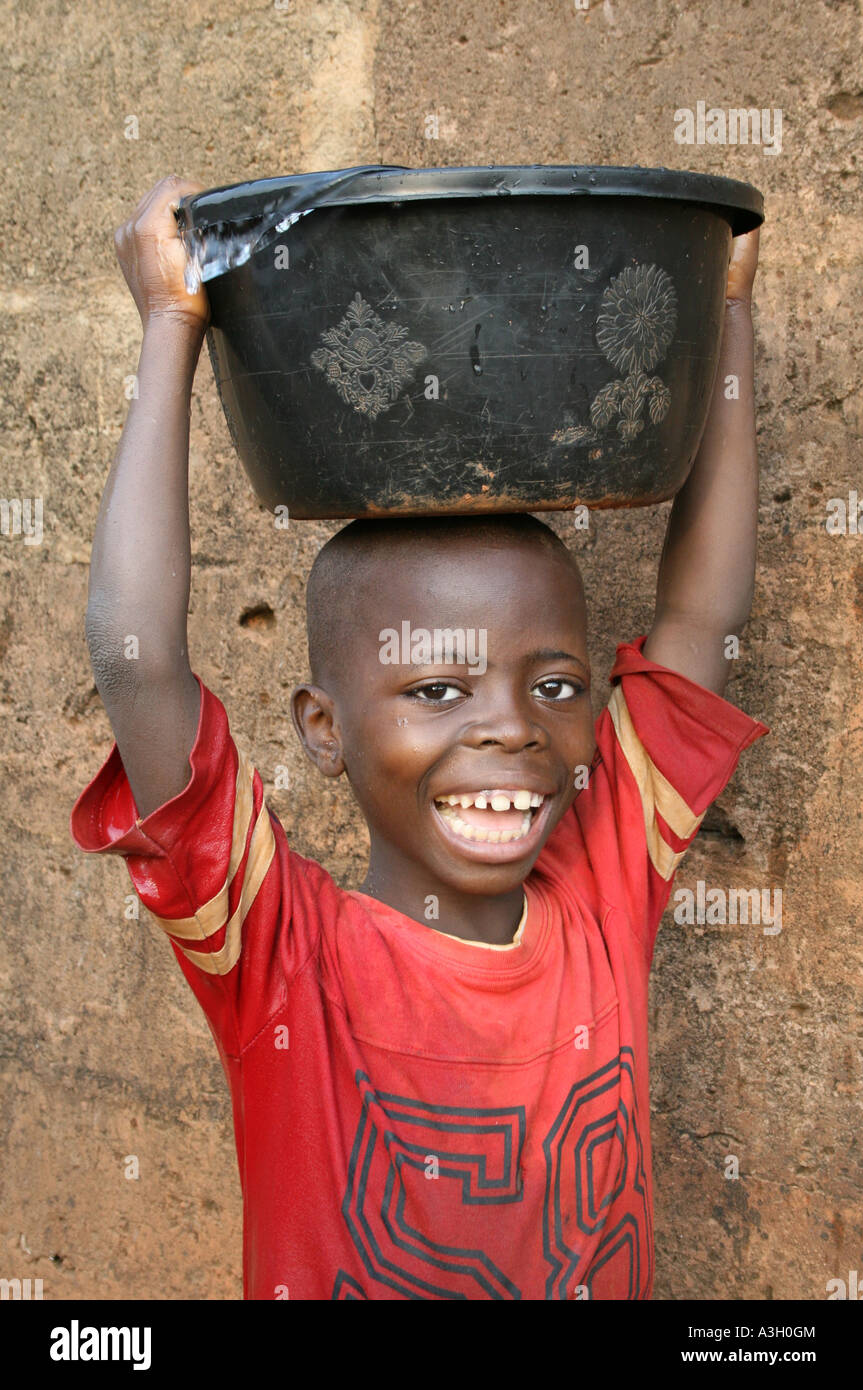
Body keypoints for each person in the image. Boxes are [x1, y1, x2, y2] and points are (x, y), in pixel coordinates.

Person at [70, 174, 768, 1300]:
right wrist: (171, 322)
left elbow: (699, 618)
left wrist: (722, 307)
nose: (508, 725)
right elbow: (137, 659)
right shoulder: (284, 962)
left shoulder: (603, 891)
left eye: (552, 683)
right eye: (436, 690)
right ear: (322, 728)